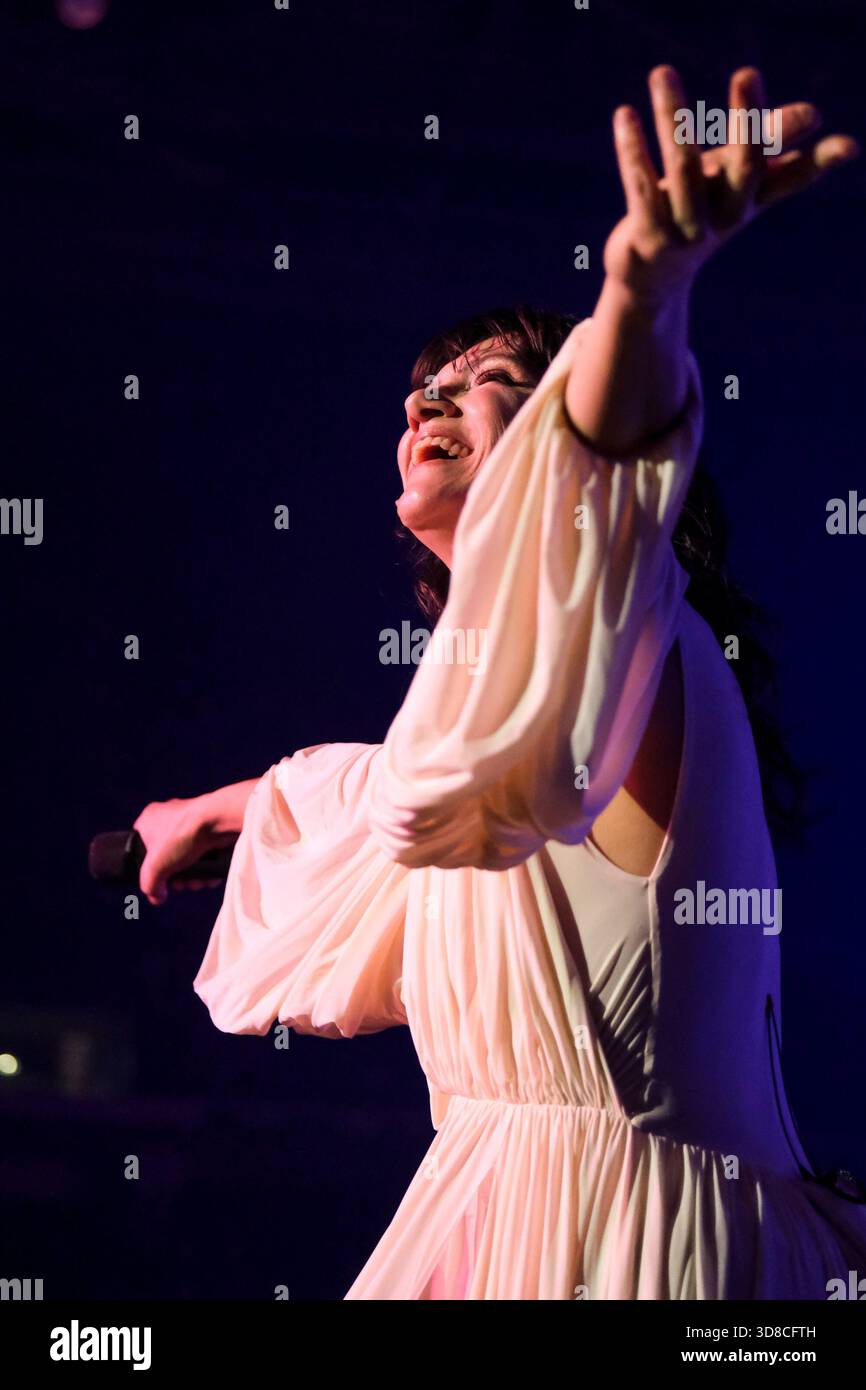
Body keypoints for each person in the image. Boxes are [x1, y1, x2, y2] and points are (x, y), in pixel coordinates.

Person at [133, 66, 866, 1298]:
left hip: (648, 1254)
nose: (430, 394)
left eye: (489, 381)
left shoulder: (627, 612)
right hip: (499, 1222)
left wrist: (641, 289)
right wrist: (219, 808)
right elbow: (370, 795)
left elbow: (606, 459)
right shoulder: (491, 713)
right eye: (424, 383)